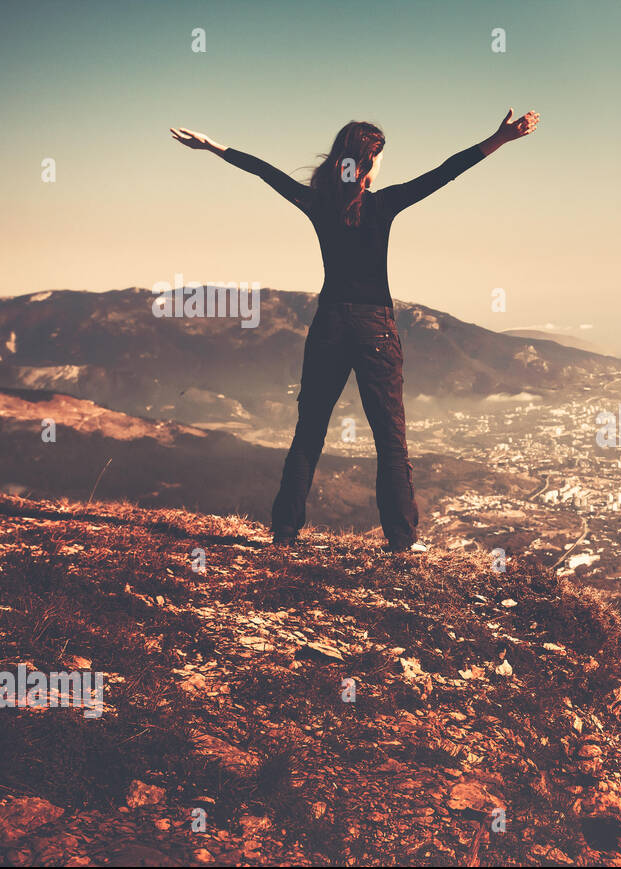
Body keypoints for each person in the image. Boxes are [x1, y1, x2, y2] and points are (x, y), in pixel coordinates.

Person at [170, 110, 539, 552]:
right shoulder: (383, 206)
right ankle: (401, 542)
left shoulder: (318, 203)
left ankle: (285, 535)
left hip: (329, 323)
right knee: (390, 439)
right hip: (374, 327)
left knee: (310, 431)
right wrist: (500, 138)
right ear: (369, 163)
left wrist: (212, 147)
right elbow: (446, 172)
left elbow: (264, 171)